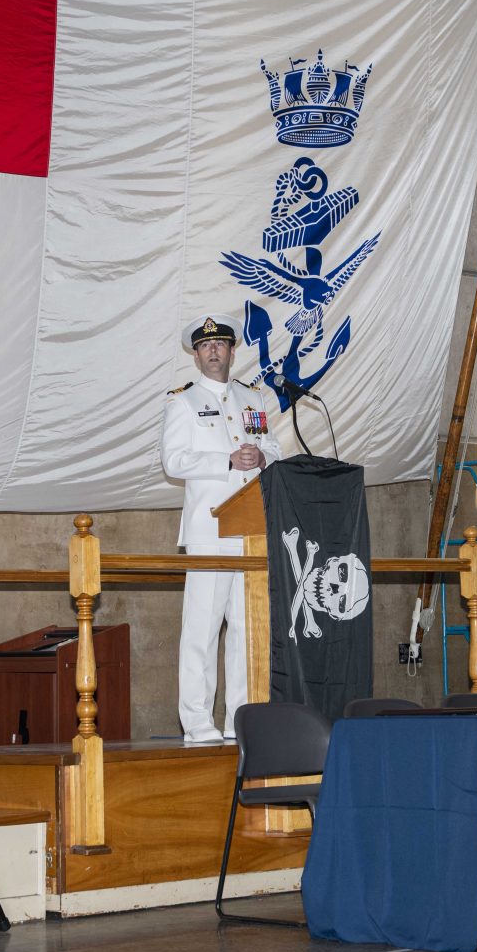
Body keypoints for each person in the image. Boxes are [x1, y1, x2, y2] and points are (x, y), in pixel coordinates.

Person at [161, 314, 282, 742]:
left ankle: (240, 720)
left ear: (233, 351)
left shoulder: (253, 399)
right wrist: (225, 461)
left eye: (222, 344)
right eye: (206, 346)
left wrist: (262, 457)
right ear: (196, 356)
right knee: (202, 627)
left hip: (251, 528)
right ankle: (197, 722)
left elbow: (273, 446)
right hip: (209, 530)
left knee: (247, 630)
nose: (214, 351)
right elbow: (172, 461)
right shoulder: (183, 401)